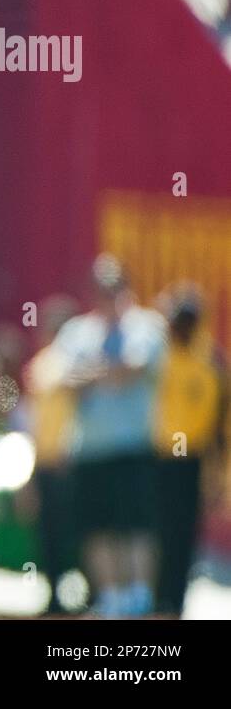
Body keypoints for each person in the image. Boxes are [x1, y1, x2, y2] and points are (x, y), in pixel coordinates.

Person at [54, 255, 166, 617]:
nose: (108, 296)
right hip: (91, 448)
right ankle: (111, 598)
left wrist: (94, 375)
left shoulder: (146, 326)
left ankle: (139, 596)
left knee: (136, 525)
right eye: (101, 289)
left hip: (133, 447)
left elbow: (132, 371)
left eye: (114, 288)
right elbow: (62, 380)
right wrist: (102, 375)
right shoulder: (77, 331)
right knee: (97, 527)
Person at [151, 284, 223, 616]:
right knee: (154, 530)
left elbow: (219, 422)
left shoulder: (211, 360)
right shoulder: (158, 357)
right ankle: (153, 596)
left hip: (190, 459)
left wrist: (217, 474)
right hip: (157, 457)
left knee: (183, 532)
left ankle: (174, 600)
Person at [22, 294, 81, 614]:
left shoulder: (75, 364)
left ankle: (76, 591)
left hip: (67, 461)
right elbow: (33, 423)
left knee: (71, 531)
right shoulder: (42, 364)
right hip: (48, 461)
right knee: (50, 532)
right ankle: (56, 593)